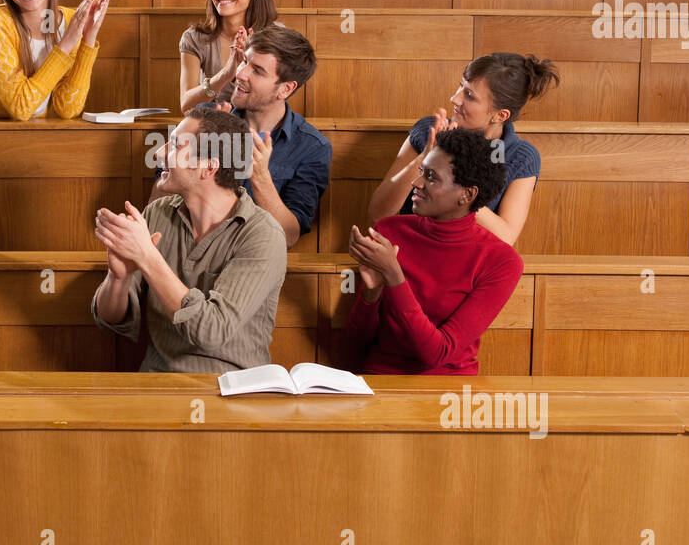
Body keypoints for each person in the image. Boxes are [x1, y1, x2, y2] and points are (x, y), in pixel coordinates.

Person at [92, 107, 287, 374]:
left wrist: (148, 258)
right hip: (158, 385)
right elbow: (110, 320)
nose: (160, 154)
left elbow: (212, 331)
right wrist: (118, 277)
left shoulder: (262, 234)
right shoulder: (158, 212)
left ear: (208, 167)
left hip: (235, 392)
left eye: (174, 145)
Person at [348, 127, 523, 376]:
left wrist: (394, 276)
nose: (416, 183)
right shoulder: (389, 231)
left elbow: (436, 353)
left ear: (467, 194)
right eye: (421, 172)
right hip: (380, 381)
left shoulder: (501, 261)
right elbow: (357, 342)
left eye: (430, 176)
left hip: (449, 391)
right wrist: (371, 294)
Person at [162, 24, 330, 246]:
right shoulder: (205, 118)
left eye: (257, 70)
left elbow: (288, 236)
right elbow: (159, 205)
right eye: (244, 61)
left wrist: (259, 175)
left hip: (254, 257)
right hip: (186, 246)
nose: (240, 74)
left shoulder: (312, 146)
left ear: (286, 89)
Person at [368, 53, 559, 246]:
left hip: (468, 266)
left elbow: (505, 238)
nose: (455, 98)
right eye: (461, 86)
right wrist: (426, 157)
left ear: (500, 115)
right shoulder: (429, 130)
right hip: (409, 252)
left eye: (469, 95)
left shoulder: (520, 155)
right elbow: (379, 214)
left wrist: (458, 183)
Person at [178, 0, 279, 112]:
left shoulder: (276, 37)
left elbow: (275, 103)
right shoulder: (194, 38)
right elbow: (186, 104)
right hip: (209, 131)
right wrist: (227, 72)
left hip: (257, 132)